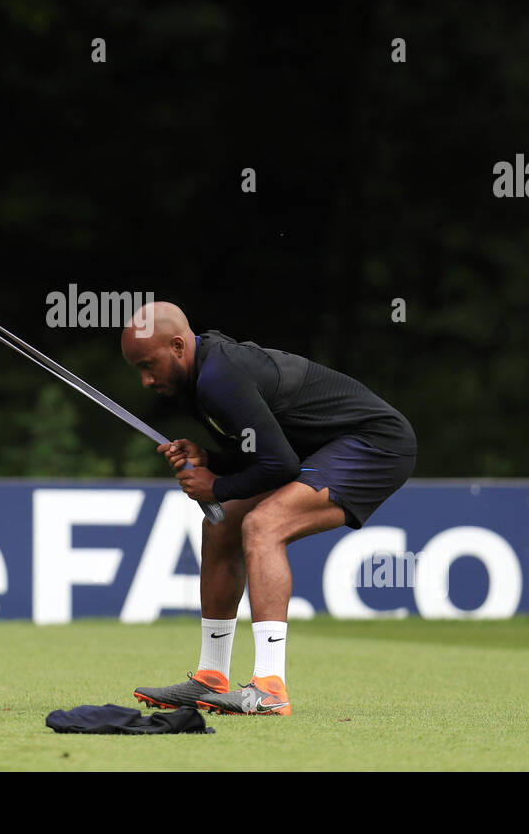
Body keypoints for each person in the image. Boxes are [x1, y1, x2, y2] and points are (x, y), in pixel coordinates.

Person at [120, 302, 415, 714]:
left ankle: (270, 688)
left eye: (149, 365)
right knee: (220, 526)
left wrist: (216, 486)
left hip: (375, 445)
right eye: (138, 369)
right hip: (318, 450)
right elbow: (259, 451)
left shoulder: (219, 377)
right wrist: (209, 459)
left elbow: (280, 465)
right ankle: (210, 676)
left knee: (264, 525)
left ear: (178, 346)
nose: (146, 380)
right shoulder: (199, 378)